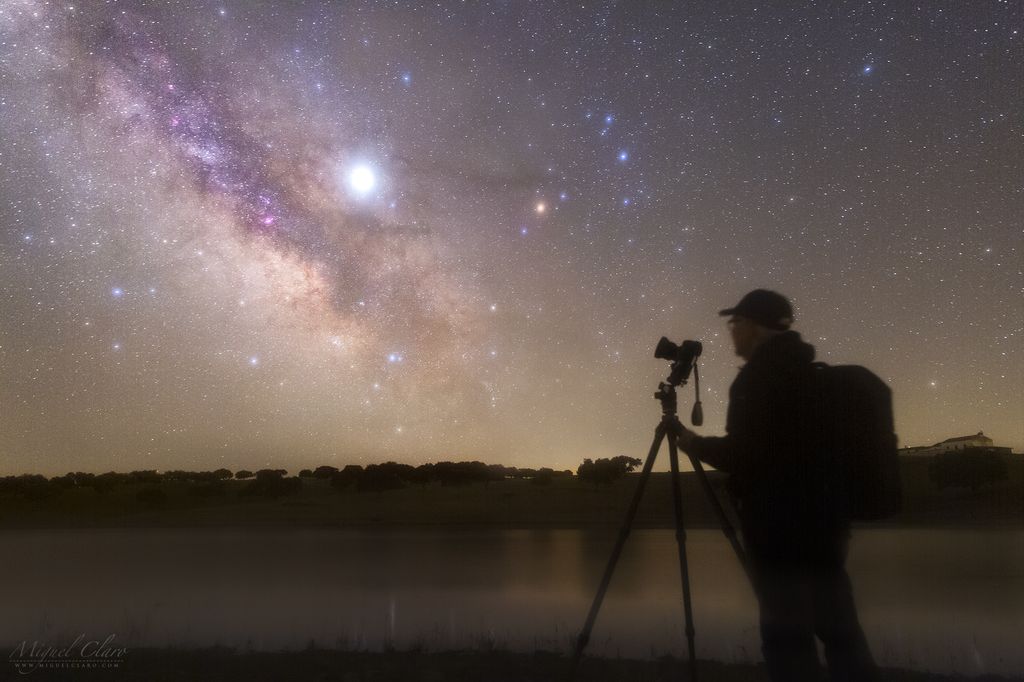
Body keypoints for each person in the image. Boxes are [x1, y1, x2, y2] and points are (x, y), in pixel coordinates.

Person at [675, 289, 879, 682]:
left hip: (777, 532)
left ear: (754, 327)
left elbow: (746, 454)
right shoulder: (811, 373)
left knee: (787, 641)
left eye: (736, 324)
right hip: (827, 528)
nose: (732, 331)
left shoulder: (757, 378)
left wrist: (692, 444)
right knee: (842, 635)